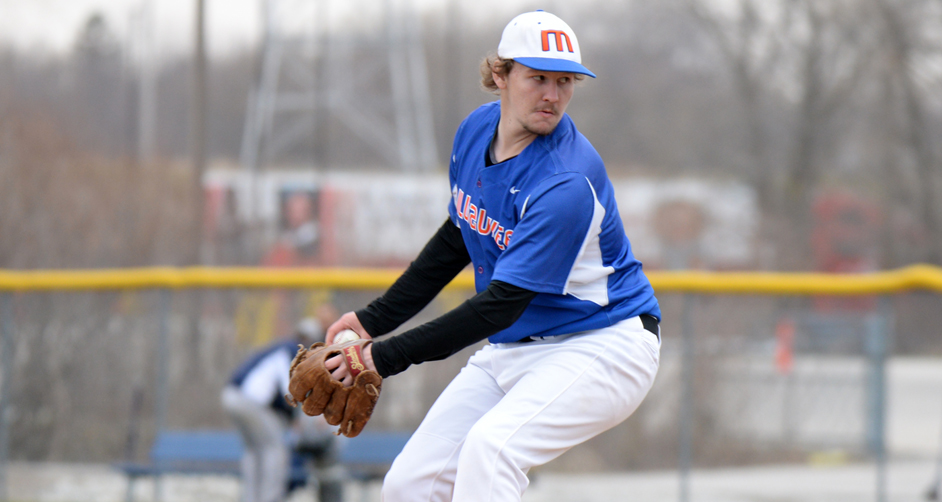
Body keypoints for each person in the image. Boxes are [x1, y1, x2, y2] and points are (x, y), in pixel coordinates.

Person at [323, 10, 661, 502]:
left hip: (604, 342)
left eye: (565, 81)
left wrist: (380, 358)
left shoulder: (565, 182)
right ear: (500, 75)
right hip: (518, 346)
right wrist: (373, 320)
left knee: (493, 451)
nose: (552, 95)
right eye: (537, 77)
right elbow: (457, 237)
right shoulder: (476, 131)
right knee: (409, 485)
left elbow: (499, 306)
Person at [222, 307, 343, 502]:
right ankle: (269, 498)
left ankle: (252, 498)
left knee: (256, 451)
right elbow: (291, 391)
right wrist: (298, 418)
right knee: (275, 449)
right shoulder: (291, 351)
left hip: (234, 396)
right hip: (249, 401)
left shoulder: (284, 348)